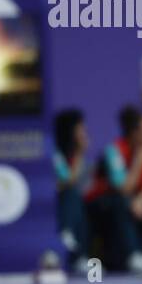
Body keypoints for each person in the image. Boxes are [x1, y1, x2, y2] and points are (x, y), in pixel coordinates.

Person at [86, 106, 142, 275]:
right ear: (134, 133)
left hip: (135, 199)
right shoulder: (113, 150)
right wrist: (139, 160)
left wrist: (141, 200)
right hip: (105, 201)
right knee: (122, 202)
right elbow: (123, 188)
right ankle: (133, 255)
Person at [53, 108, 92, 273]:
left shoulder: (73, 154)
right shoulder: (54, 153)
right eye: (80, 128)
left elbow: (83, 185)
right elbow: (67, 180)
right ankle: (66, 232)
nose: (84, 132)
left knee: (79, 201)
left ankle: (80, 257)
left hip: (73, 200)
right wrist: (80, 153)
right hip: (54, 200)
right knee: (71, 194)